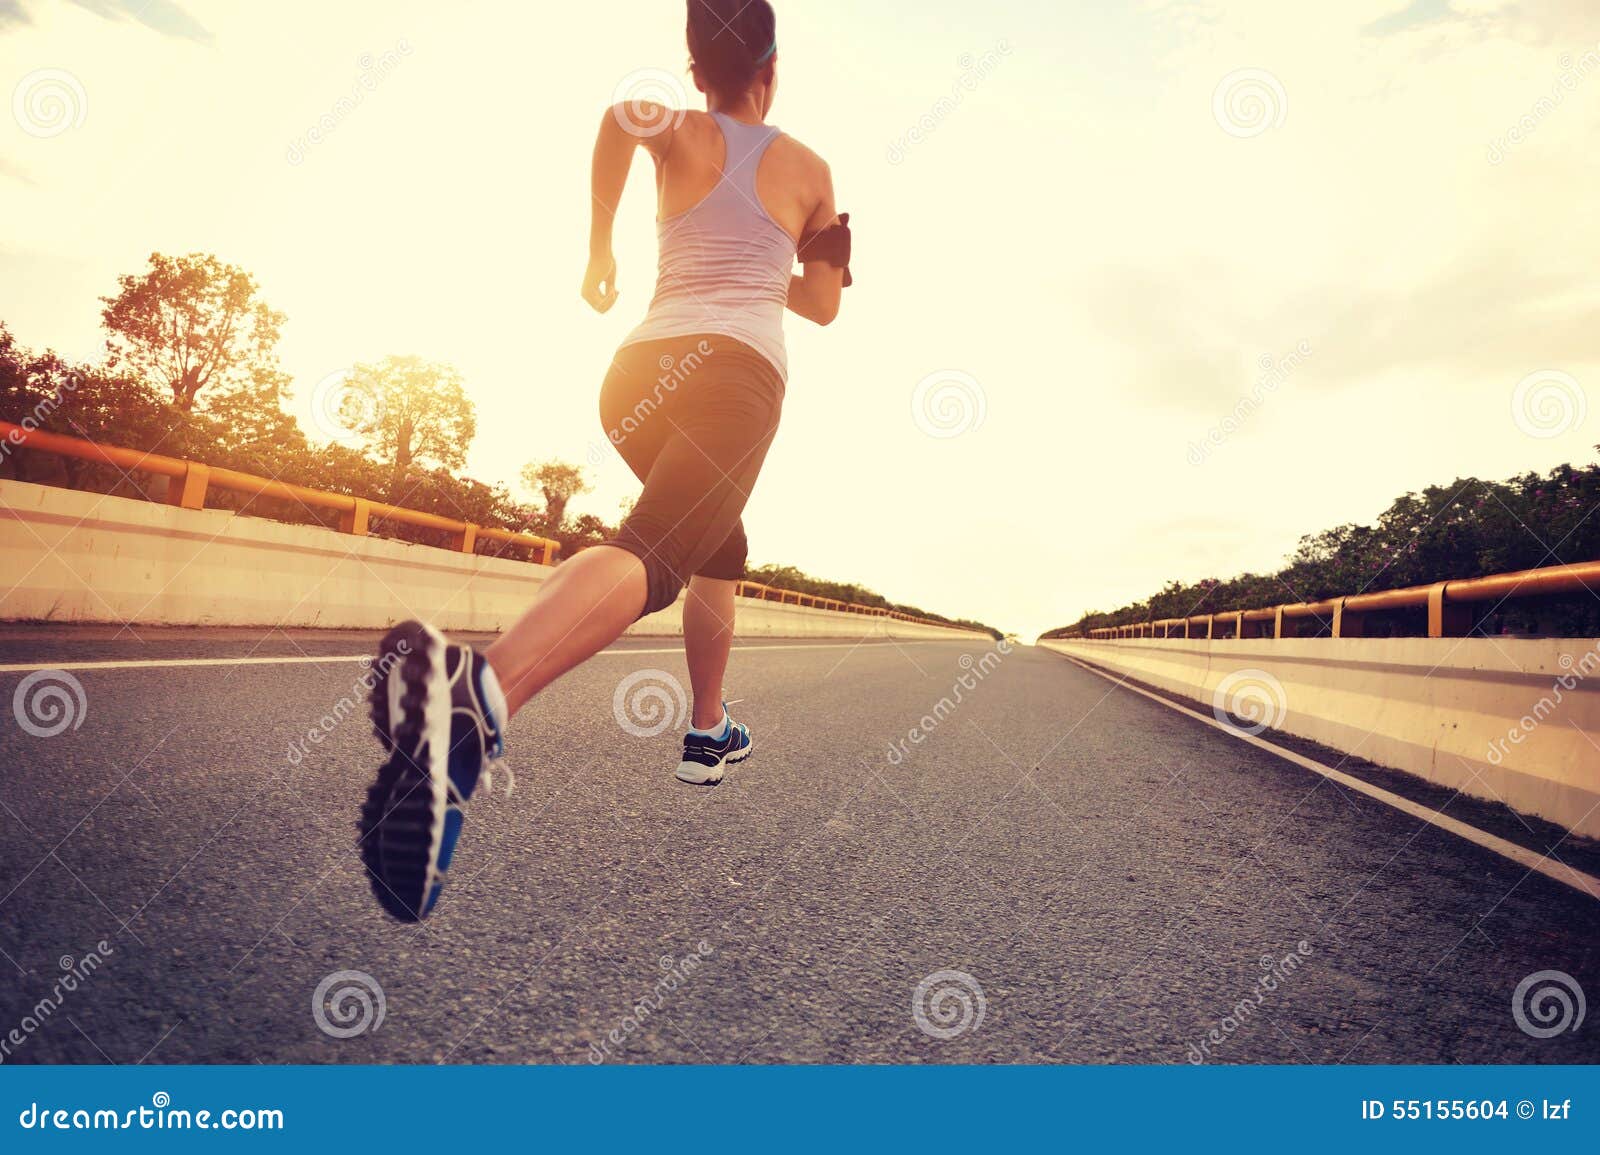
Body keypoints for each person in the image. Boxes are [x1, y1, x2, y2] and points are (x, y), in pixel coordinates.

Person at [358, 0, 849, 921]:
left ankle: (708, 725)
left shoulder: (679, 127)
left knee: (711, 542)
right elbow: (820, 308)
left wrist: (600, 247)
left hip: (637, 376)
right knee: (658, 549)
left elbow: (617, 115)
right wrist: (775, 255)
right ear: (773, 72)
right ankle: (475, 705)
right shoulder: (813, 172)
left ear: (698, 68)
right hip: (734, 379)